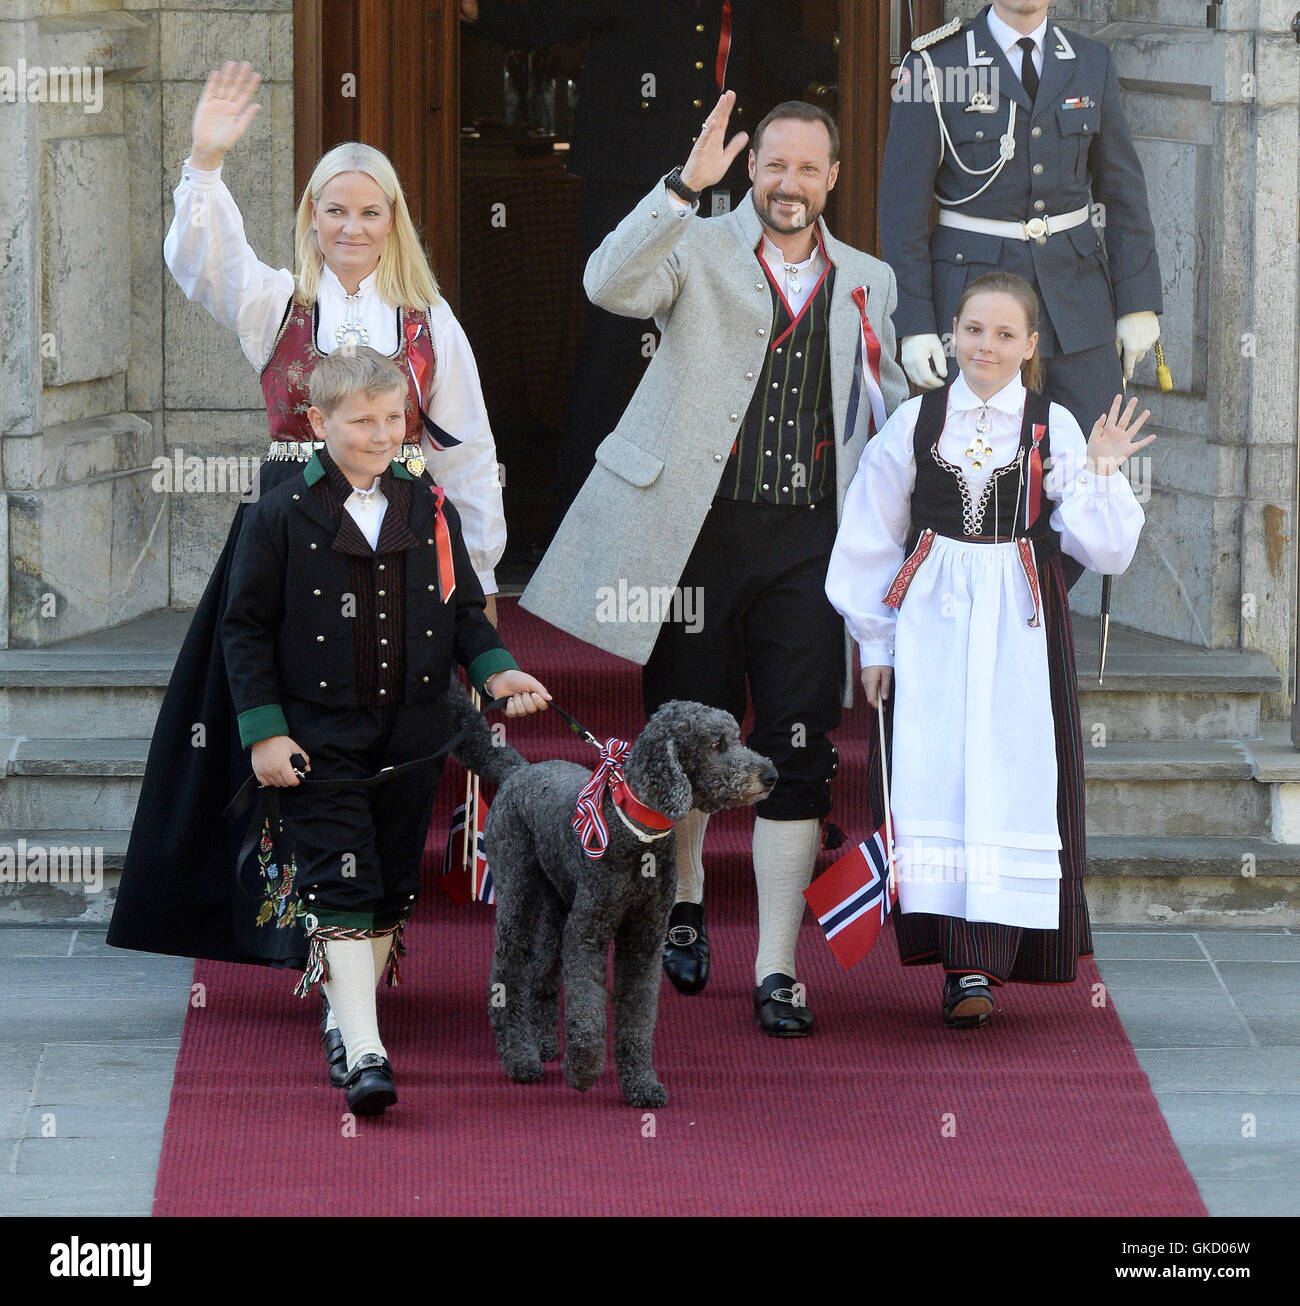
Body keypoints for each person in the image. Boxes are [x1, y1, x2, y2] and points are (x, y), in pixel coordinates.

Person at [522, 94, 909, 1037]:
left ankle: (776, 968)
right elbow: (607, 283)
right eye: (774, 165)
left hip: (809, 541)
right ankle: (686, 902)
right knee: (688, 731)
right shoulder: (694, 244)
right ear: (751, 168)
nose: (789, 184)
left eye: (809, 168)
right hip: (695, 533)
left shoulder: (871, 279)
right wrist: (680, 187)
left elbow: (884, 407)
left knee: (798, 745)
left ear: (833, 177)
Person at [108, 62, 506, 973]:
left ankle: (367, 940)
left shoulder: (430, 321)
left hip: (401, 551)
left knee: (380, 734)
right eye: (335, 211)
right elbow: (203, 261)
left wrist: (472, 582)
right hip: (288, 549)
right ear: (312, 219)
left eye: (370, 212)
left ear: (394, 220)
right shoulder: (276, 302)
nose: (352, 228)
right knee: (280, 730)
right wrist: (204, 163)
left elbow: (468, 456)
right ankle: (297, 932)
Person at [223, 346, 549, 1113]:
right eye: (361, 419)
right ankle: (366, 1051)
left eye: (393, 418)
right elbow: (243, 629)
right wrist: (265, 732)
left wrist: (496, 670)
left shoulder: (426, 504)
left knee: (390, 886)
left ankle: (347, 1013)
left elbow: (465, 608)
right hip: (318, 735)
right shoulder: (279, 513)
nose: (380, 433)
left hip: (413, 734)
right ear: (318, 421)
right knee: (342, 878)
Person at [824, 271, 1153, 1027]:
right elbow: (870, 535)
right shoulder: (913, 420)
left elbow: (1103, 550)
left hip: (1020, 628)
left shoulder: (1054, 426)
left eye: (1006, 334)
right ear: (953, 336)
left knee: (1011, 773)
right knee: (938, 774)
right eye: (974, 330)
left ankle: (983, 964)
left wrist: (1102, 470)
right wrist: (874, 643)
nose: (987, 346)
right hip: (931, 624)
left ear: (1031, 345)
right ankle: (952, 954)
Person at [460, 0, 835, 523]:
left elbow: (784, 50)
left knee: (717, 341)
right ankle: (578, 518)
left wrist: (867, 62)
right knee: (612, 347)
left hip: (720, 191)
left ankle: (703, 518)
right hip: (627, 183)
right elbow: (545, 19)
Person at [879, 2, 1163, 451]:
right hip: (975, 309)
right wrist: (913, 323)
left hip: (1078, 309)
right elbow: (901, 212)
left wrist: (1137, 302)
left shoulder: (1091, 61)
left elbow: (1123, 193)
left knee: (1095, 466)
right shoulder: (935, 65)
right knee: (980, 468)